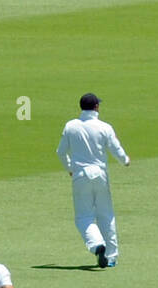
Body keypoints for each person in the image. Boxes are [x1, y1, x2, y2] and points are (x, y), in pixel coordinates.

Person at [56, 93, 130, 268]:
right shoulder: (104, 127)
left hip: (80, 175)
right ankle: (111, 256)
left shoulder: (71, 126)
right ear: (96, 107)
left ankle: (97, 245)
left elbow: (60, 152)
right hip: (100, 175)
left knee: (84, 216)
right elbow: (115, 148)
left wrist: (70, 169)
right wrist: (125, 160)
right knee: (106, 214)